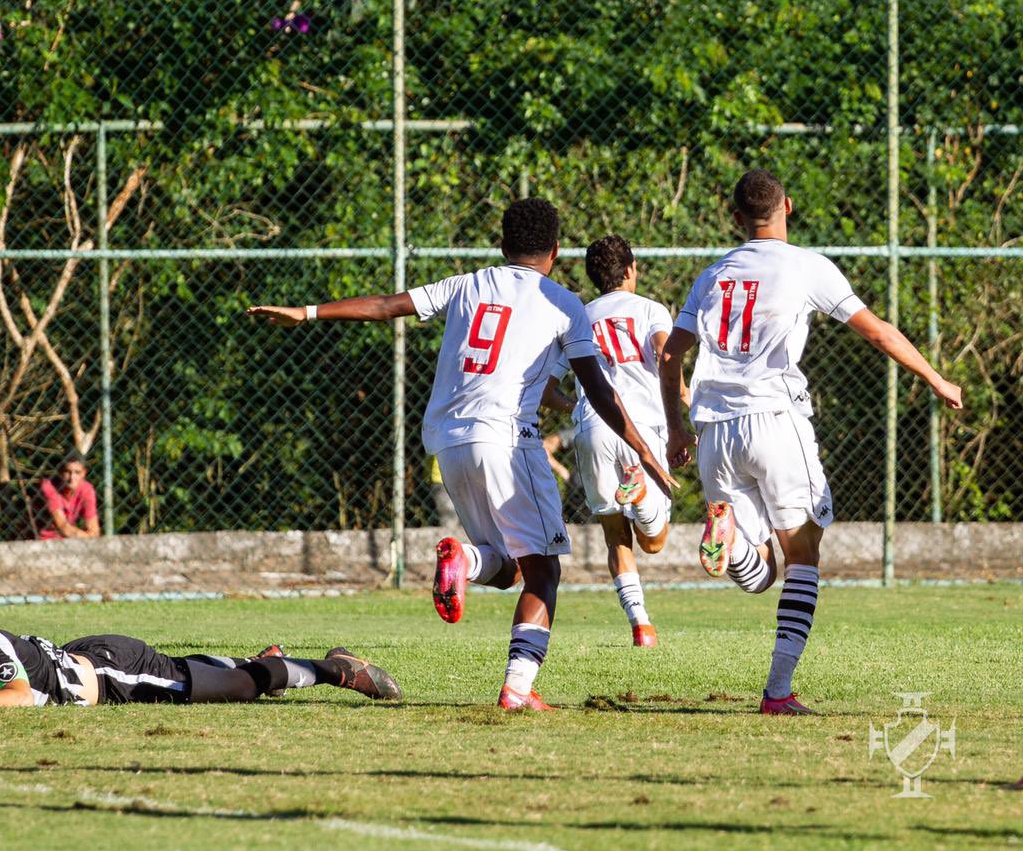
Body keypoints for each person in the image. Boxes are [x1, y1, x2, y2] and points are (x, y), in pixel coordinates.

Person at [248, 198, 677, 710]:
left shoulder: (467, 284)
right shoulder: (564, 303)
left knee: (509, 569)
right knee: (544, 571)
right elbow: (600, 392)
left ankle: (465, 559)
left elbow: (385, 306)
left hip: (449, 443)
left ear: (502, 245)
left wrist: (307, 312)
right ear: (556, 251)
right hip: (508, 442)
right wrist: (642, 448)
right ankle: (517, 689)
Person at [659, 169, 962, 715]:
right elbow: (876, 330)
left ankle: (730, 544)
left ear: (736, 218)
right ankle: (777, 692)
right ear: (789, 206)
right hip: (775, 420)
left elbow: (669, 353)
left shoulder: (713, 275)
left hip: (715, 431)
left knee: (760, 574)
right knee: (803, 554)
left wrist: (676, 428)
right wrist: (935, 378)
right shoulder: (806, 266)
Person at [0, 589, 400, 708]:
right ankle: (257, 663)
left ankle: (331, 668)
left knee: (238, 690)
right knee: (211, 675)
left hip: (112, 673)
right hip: (83, 659)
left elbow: (17, 696)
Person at [544, 236, 688, 648]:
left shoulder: (577, 317)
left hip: (594, 427)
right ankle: (640, 496)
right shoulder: (650, 309)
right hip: (643, 427)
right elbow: (665, 356)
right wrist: (686, 400)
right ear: (630, 269)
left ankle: (641, 625)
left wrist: (577, 405)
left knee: (615, 536)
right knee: (654, 541)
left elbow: (546, 390)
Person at [36, 451, 99, 539]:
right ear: (60, 472)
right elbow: (63, 527)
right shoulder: (49, 487)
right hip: (38, 540)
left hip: (68, 540)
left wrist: (91, 537)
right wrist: (89, 538)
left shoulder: (87, 489)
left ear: (84, 473)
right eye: (67, 472)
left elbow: (94, 529)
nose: (72, 478)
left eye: (77, 472)